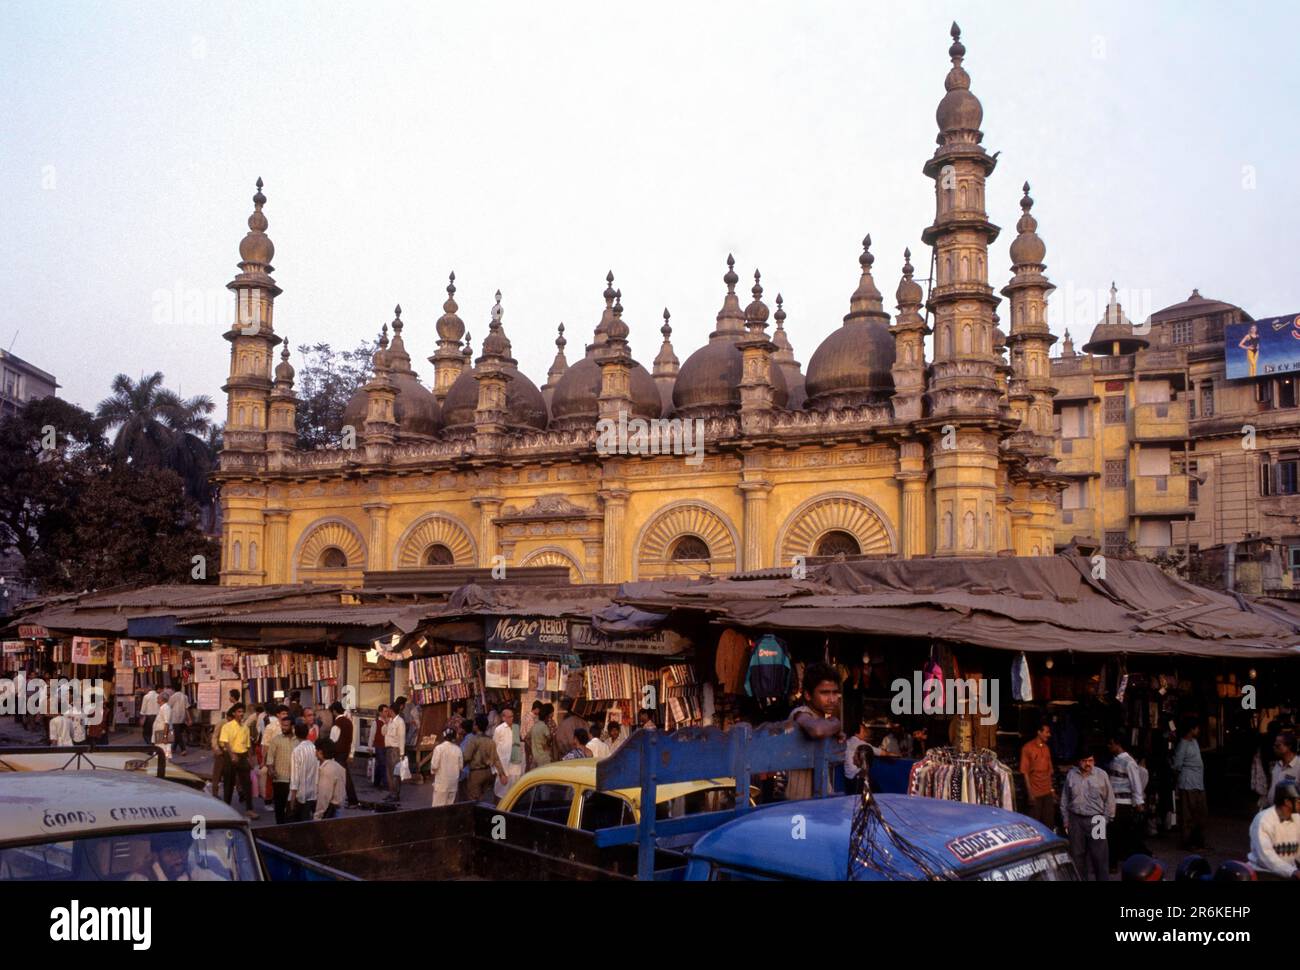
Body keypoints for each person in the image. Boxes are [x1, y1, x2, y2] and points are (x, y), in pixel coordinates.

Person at [784, 663, 843, 802]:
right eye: (824, 693)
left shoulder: (822, 719)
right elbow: (817, 730)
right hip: (800, 801)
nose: (832, 699)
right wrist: (836, 724)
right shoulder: (801, 713)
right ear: (808, 695)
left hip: (820, 799)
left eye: (835, 692)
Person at [1060, 751, 1115, 881]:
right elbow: (1065, 799)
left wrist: (1105, 820)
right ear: (1079, 762)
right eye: (1084, 761)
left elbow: (1110, 800)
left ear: (1094, 761)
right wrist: (1066, 820)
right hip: (1076, 820)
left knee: (1099, 857)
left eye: (1090, 760)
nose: (1087, 764)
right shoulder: (1071, 775)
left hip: (1097, 820)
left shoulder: (1102, 775)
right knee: (1077, 856)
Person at [1106, 736, 1148, 869]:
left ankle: (1116, 863)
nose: (1108, 746)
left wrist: (1139, 803)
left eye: (1110, 743)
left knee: (1116, 833)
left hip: (1123, 803)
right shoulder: (1114, 761)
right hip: (1113, 803)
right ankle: (1114, 861)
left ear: (1118, 745)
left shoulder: (1129, 762)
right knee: (1112, 833)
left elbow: (1136, 784)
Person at [1248, 781, 1300, 880]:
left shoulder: (1297, 818)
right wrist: (1292, 871)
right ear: (1287, 802)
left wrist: (1292, 871)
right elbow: (1266, 857)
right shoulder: (1263, 820)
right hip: (1264, 872)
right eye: (1298, 801)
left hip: (1287, 871)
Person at [1171, 721, 1207, 849]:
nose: (1199, 731)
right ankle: (1186, 842)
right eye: (1197, 728)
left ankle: (1198, 840)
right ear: (1191, 729)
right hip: (1188, 783)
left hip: (1198, 783)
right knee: (1187, 815)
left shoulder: (1194, 742)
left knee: (1199, 813)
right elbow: (1177, 765)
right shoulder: (1183, 744)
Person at [218, 704, 258, 819]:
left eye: (242, 712)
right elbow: (225, 742)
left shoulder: (245, 727)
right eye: (239, 712)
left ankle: (249, 809)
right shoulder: (227, 726)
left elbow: (248, 745)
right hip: (230, 756)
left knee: (247, 784)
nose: (241, 714)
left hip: (242, 756)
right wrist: (232, 755)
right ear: (234, 713)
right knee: (229, 784)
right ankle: (226, 809)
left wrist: (250, 759)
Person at [463, 714, 508, 801]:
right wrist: (502, 774)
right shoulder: (490, 741)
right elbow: (496, 759)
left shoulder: (473, 740)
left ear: (477, 726)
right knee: (485, 800)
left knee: (474, 800)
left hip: (476, 773)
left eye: (474, 724)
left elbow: (467, 757)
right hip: (488, 773)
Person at [1020, 723, 1056, 830]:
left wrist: (1052, 790)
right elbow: (1025, 772)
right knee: (1034, 825)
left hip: (1047, 793)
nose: (1049, 735)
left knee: (1049, 823)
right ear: (1039, 732)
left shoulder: (1046, 748)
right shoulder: (1027, 748)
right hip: (1035, 793)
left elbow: (1049, 772)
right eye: (1047, 732)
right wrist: (1030, 794)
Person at [263, 709, 296, 824]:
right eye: (283, 725)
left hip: (294, 780)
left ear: (292, 726)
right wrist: (271, 770)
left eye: (286, 726)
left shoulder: (298, 741)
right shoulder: (276, 740)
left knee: (293, 808)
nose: (284, 728)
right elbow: (270, 759)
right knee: (280, 808)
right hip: (280, 779)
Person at [328, 701, 360, 808]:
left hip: (337, 753)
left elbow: (333, 740)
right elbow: (352, 739)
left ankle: (349, 800)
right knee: (344, 777)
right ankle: (351, 800)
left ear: (334, 711)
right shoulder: (348, 722)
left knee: (342, 777)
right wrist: (351, 753)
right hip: (345, 752)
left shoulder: (337, 724)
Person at [289, 719, 319, 821]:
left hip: (301, 795)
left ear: (295, 734)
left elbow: (295, 777)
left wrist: (292, 800)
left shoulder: (297, 751)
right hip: (314, 793)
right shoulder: (314, 748)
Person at [493, 707, 523, 798]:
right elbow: (494, 749)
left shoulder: (516, 728)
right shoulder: (499, 729)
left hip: (515, 766)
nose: (511, 718)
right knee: (501, 794)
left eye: (512, 716)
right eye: (509, 717)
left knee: (513, 794)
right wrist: (498, 771)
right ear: (503, 718)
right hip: (503, 768)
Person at [430, 727, 463, 807]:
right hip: (453, 784)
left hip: (441, 784)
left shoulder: (439, 748)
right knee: (450, 807)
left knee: (438, 807)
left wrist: (433, 772)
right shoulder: (458, 749)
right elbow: (461, 766)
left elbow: (434, 766)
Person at [314, 739, 346, 820]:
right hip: (339, 808)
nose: (315, 753)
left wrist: (317, 816)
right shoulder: (339, 767)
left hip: (331, 811)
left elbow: (324, 796)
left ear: (320, 752)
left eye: (316, 750)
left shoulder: (327, 770)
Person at [384, 697, 407, 801]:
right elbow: (384, 733)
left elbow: (402, 738)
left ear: (392, 710)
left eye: (389, 710)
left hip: (395, 750)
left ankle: (395, 794)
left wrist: (402, 753)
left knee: (395, 773)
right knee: (389, 772)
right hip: (388, 749)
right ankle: (391, 792)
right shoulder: (390, 721)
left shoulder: (400, 722)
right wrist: (386, 722)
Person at [1268, 732, 1300, 804]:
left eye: (1278, 745)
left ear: (1289, 746)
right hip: (1274, 810)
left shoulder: (1298, 766)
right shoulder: (1278, 764)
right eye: (1274, 745)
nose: (1274, 748)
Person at [844, 721, 874, 794]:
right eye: (863, 731)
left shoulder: (863, 782)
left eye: (855, 754)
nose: (853, 757)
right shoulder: (857, 743)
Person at [530, 703, 555, 768]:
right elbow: (549, 739)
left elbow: (527, 738)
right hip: (544, 758)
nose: (552, 715)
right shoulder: (544, 727)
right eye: (551, 714)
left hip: (535, 757)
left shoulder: (534, 725)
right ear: (547, 715)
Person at [150, 690, 174, 760]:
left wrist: (165, 737)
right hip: (159, 733)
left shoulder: (166, 708)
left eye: (158, 697)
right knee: (158, 752)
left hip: (163, 733)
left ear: (162, 699)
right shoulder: (162, 707)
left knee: (164, 753)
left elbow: (167, 723)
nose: (157, 698)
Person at [371, 704, 390, 789]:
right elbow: (372, 735)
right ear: (380, 712)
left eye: (387, 711)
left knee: (380, 764)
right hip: (378, 745)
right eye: (385, 711)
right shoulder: (376, 722)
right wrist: (370, 747)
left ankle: (376, 781)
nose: (386, 713)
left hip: (386, 745)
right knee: (382, 764)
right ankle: (386, 783)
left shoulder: (388, 721)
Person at [167, 686, 189, 754]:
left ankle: (183, 749)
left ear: (173, 690)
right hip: (182, 717)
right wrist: (189, 718)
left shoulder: (172, 697)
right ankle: (173, 748)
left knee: (178, 734)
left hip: (175, 718)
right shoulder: (185, 696)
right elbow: (186, 708)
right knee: (177, 733)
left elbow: (168, 706)